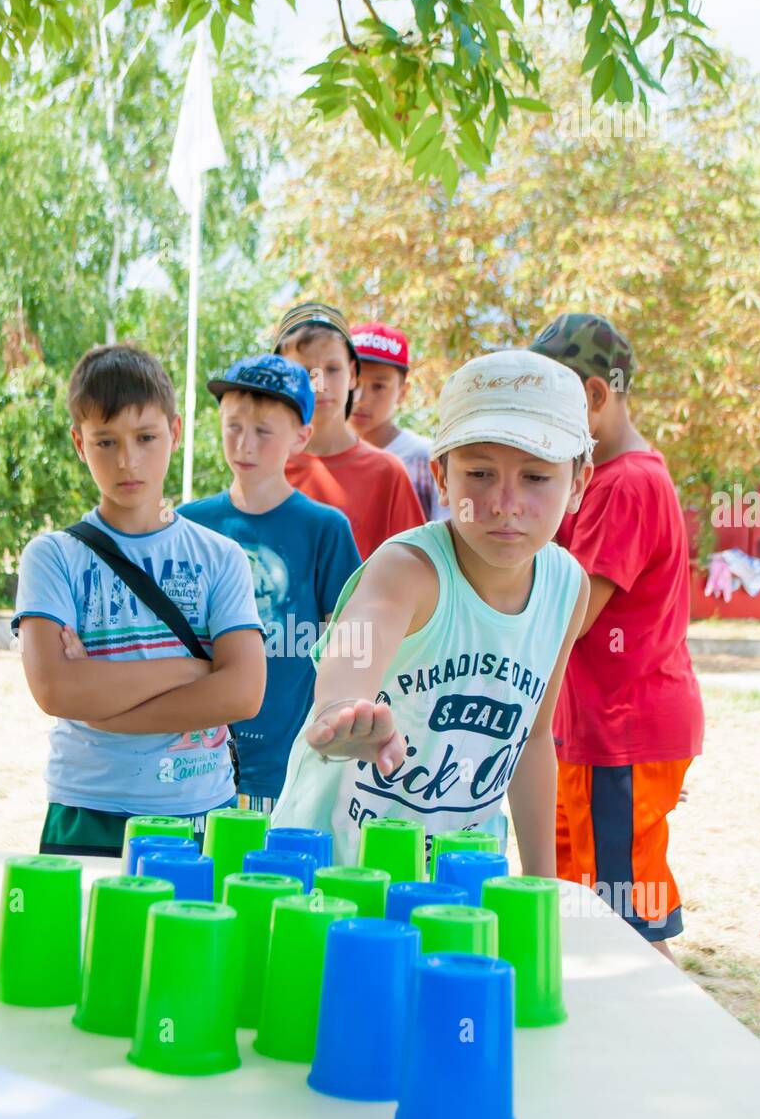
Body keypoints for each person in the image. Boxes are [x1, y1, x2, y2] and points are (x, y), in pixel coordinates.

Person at [271, 349, 593, 872]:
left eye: (536, 477)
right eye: (481, 473)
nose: (505, 502)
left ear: (577, 483)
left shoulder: (568, 587)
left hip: (457, 877)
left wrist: (541, 886)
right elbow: (354, 650)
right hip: (333, 871)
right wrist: (343, 712)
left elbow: (532, 739)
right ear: (441, 478)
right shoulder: (407, 569)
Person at [12, 341, 266, 857]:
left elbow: (243, 694)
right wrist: (193, 670)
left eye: (145, 437)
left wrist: (102, 704)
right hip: (88, 808)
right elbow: (56, 690)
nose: (127, 460)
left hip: (200, 811)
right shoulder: (53, 557)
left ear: (173, 432)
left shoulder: (221, 557)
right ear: (79, 445)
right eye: (105, 442)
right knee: (84, 939)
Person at [529, 313, 704, 958]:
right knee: (588, 909)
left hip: (622, 731)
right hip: (595, 731)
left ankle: (654, 1044)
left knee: (625, 920)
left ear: (596, 397)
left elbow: (575, 613)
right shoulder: (605, 477)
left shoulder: (627, 483)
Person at [179, 353, 360, 815]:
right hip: (192, 765)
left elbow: (352, 646)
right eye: (234, 426)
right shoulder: (187, 525)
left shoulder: (325, 529)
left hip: (289, 768)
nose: (245, 445)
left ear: (301, 437)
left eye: (263, 431)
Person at [272, 301, 424, 558]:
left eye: (332, 369)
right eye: (305, 371)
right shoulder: (265, 466)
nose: (320, 384)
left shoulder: (388, 473)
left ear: (352, 374)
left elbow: (418, 570)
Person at [349, 322, 444, 520]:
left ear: (402, 393)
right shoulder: (313, 453)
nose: (360, 398)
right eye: (353, 383)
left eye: (378, 386)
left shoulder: (427, 460)